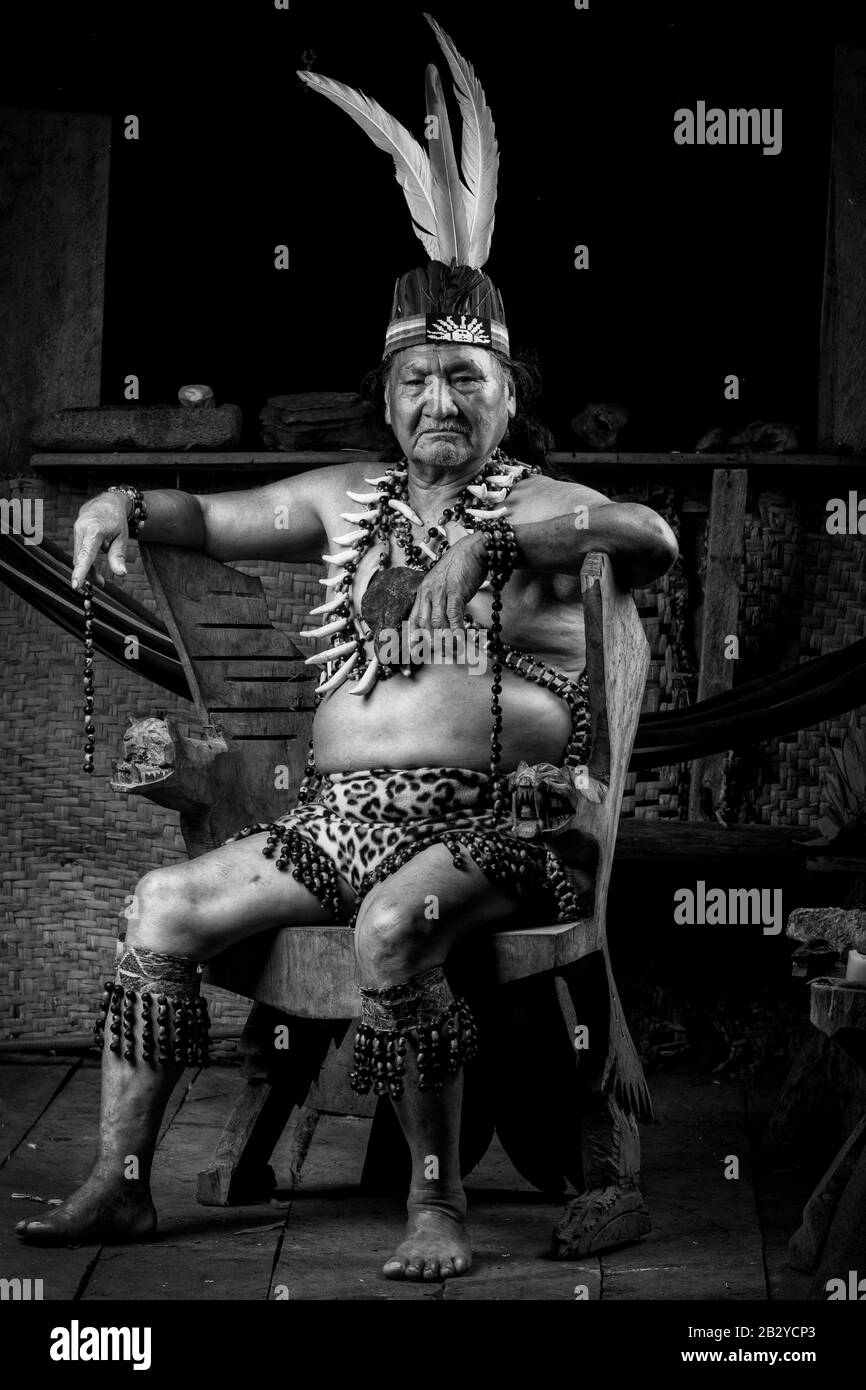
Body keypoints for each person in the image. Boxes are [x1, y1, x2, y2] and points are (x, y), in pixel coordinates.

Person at [17, 17, 677, 1281]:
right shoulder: (339, 499)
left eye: (466, 384)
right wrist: (122, 504)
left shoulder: (540, 506)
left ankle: (435, 1204)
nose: (441, 403)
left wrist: (487, 549)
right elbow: (206, 516)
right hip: (337, 814)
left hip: (508, 827)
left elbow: (643, 532)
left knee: (391, 925)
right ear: (387, 396)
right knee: (162, 903)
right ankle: (121, 1182)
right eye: (419, 381)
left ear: (504, 396)